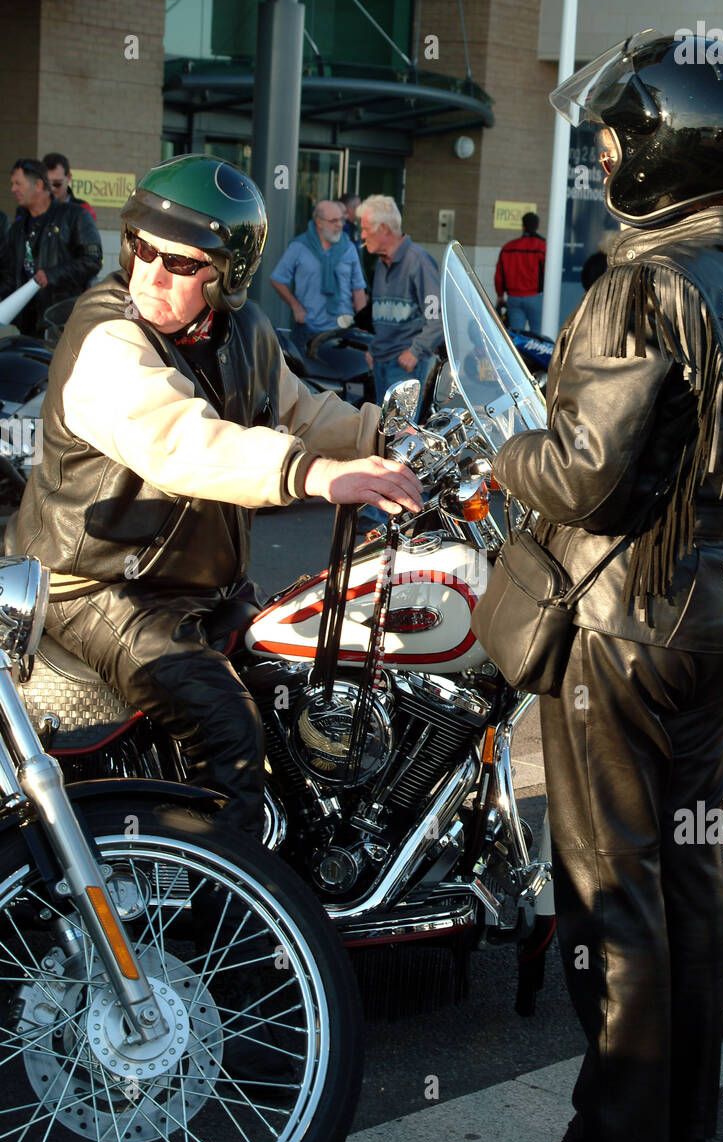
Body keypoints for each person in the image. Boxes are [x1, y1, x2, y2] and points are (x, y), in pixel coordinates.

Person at [493, 32, 723, 1142]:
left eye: (613, 134)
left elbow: (581, 473)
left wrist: (504, 448)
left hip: (622, 633)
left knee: (611, 889)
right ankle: (685, 1128)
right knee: (690, 873)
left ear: (659, 151)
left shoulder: (640, 283)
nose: (601, 152)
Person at [11, 155, 422, 853]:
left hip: (198, 586)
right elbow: (177, 440)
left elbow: (298, 408)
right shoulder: (105, 335)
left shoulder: (246, 334)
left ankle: (317, 856)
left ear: (227, 276)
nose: (150, 274)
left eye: (179, 263)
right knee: (226, 723)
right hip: (100, 587)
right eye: (141, 249)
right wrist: (312, 474)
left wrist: (397, 436)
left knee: (299, 671)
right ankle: (231, 926)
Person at [0, 158, 102, 336]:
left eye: (18, 183)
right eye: (12, 184)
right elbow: (9, 274)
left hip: (63, 325)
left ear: (38, 185)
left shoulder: (75, 216)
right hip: (27, 328)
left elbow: (92, 260)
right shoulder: (18, 228)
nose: (13, 189)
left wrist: (53, 274)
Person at [358, 193, 444, 405]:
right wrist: (373, 348)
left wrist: (415, 351)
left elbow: (439, 317)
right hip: (381, 360)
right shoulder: (380, 263)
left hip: (405, 362)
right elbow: (380, 313)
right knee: (383, 431)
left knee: (400, 434)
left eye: (366, 229)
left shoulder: (418, 261)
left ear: (384, 229)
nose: (362, 235)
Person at [269, 199, 367, 349]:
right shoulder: (300, 246)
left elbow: (358, 291)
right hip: (308, 330)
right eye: (334, 221)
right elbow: (278, 279)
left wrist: (362, 324)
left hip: (342, 331)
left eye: (341, 219)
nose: (340, 225)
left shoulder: (348, 248)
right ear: (319, 222)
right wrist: (296, 307)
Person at [494, 212, 546, 334]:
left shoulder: (508, 247)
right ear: (537, 226)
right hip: (535, 297)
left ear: (522, 226)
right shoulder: (542, 247)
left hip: (513, 298)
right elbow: (547, 272)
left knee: (517, 337)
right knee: (538, 337)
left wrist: (500, 295)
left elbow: (499, 275)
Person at [42, 152, 98, 222]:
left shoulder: (83, 209)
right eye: (46, 184)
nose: (52, 189)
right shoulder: (32, 209)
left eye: (57, 183)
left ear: (68, 177)